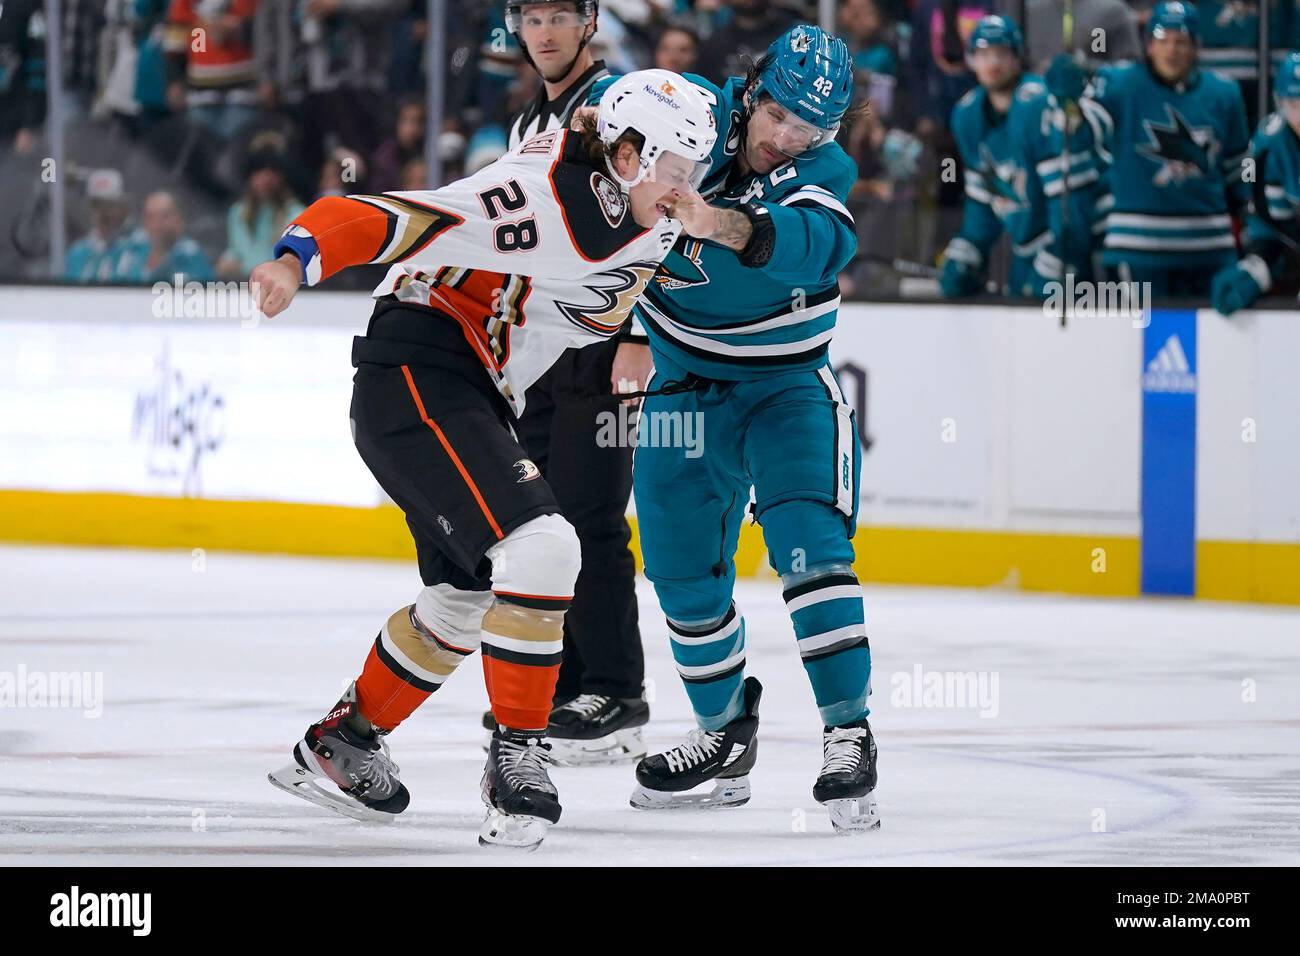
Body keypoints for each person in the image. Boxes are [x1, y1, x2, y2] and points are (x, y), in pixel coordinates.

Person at [258, 69, 717, 849]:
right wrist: (296, 259)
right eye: (675, 172)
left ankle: (345, 741)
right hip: (421, 369)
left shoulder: (640, 195)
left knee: (460, 602)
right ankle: (518, 754)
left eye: (693, 175)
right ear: (629, 155)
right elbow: (383, 217)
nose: (685, 191)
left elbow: (671, 250)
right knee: (545, 546)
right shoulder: (539, 200)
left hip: (472, 388)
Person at [592, 25, 880, 834]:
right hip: (684, 387)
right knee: (681, 572)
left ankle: (848, 733)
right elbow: (604, 144)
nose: (788, 137)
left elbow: (822, 245)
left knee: (811, 551)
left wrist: (716, 223)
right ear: (753, 90)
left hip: (785, 388)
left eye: (810, 128)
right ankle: (724, 733)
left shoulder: (826, 168)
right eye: (781, 115)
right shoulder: (688, 115)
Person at [492, 0, 656, 767]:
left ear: (591, 21)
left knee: (593, 521)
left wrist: (638, 335)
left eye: (563, 14)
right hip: (542, 352)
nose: (547, 30)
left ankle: (619, 693)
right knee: (544, 527)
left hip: (602, 345)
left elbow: (658, 220)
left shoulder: (619, 106)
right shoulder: (531, 120)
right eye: (534, 16)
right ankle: (570, 687)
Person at [1083, 1, 1249, 295]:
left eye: (1181, 41)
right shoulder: (1118, 84)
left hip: (1210, 249)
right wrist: (1068, 103)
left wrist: (1253, 221)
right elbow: (1079, 128)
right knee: (1138, 340)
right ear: (1148, 45)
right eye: (1163, 40)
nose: (1171, 50)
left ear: (1196, 47)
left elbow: (1241, 169)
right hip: (1138, 249)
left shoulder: (1225, 93)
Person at [939, 15, 1102, 297]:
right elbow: (983, 203)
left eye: (1001, 53)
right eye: (984, 54)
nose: (993, 63)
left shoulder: (1038, 103)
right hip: (1024, 252)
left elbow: (1070, 199)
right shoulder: (966, 116)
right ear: (971, 60)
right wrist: (966, 252)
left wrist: (1059, 257)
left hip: (1071, 249)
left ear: (1017, 58)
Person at [1212, 51, 1300, 316]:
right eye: (1294, 104)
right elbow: (1273, 225)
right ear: (1280, 103)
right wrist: (1260, 263)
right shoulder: (1268, 145)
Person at [111, 191, 215, 284]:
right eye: (151, 217)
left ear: (180, 220)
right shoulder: (132, 251)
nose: (157, 224)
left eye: (165, 216)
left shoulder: (190, 256)